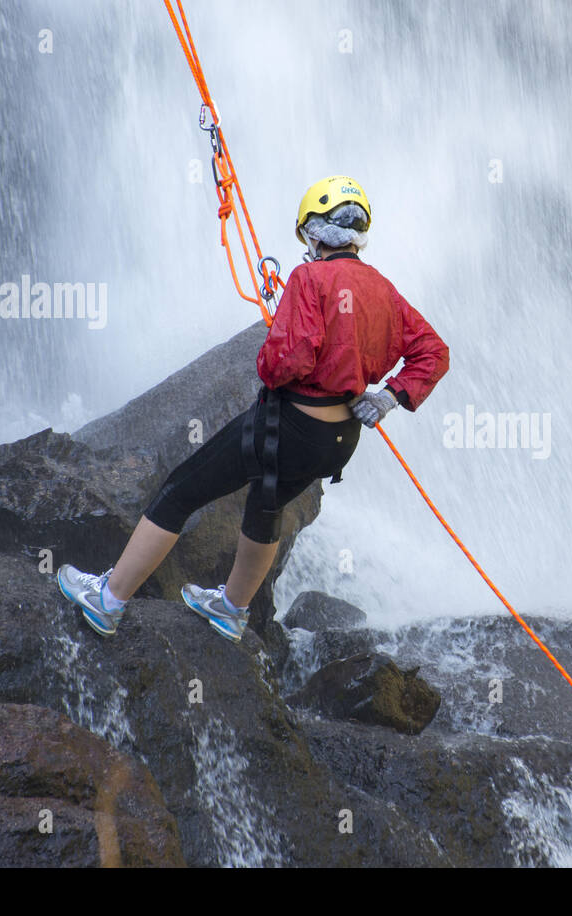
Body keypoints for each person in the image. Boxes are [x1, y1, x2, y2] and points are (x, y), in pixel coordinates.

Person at [57, 175, 449, 642]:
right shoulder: (382, 288)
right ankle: (231, 610)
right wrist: (388, 396)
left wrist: (269, 354)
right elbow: (433, 351)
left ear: (314, 232)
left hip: (292, 426)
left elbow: (290, 358)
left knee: (181, 489)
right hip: (339, 440)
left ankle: (109, 601)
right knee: (268, 503)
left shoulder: (309, 277)